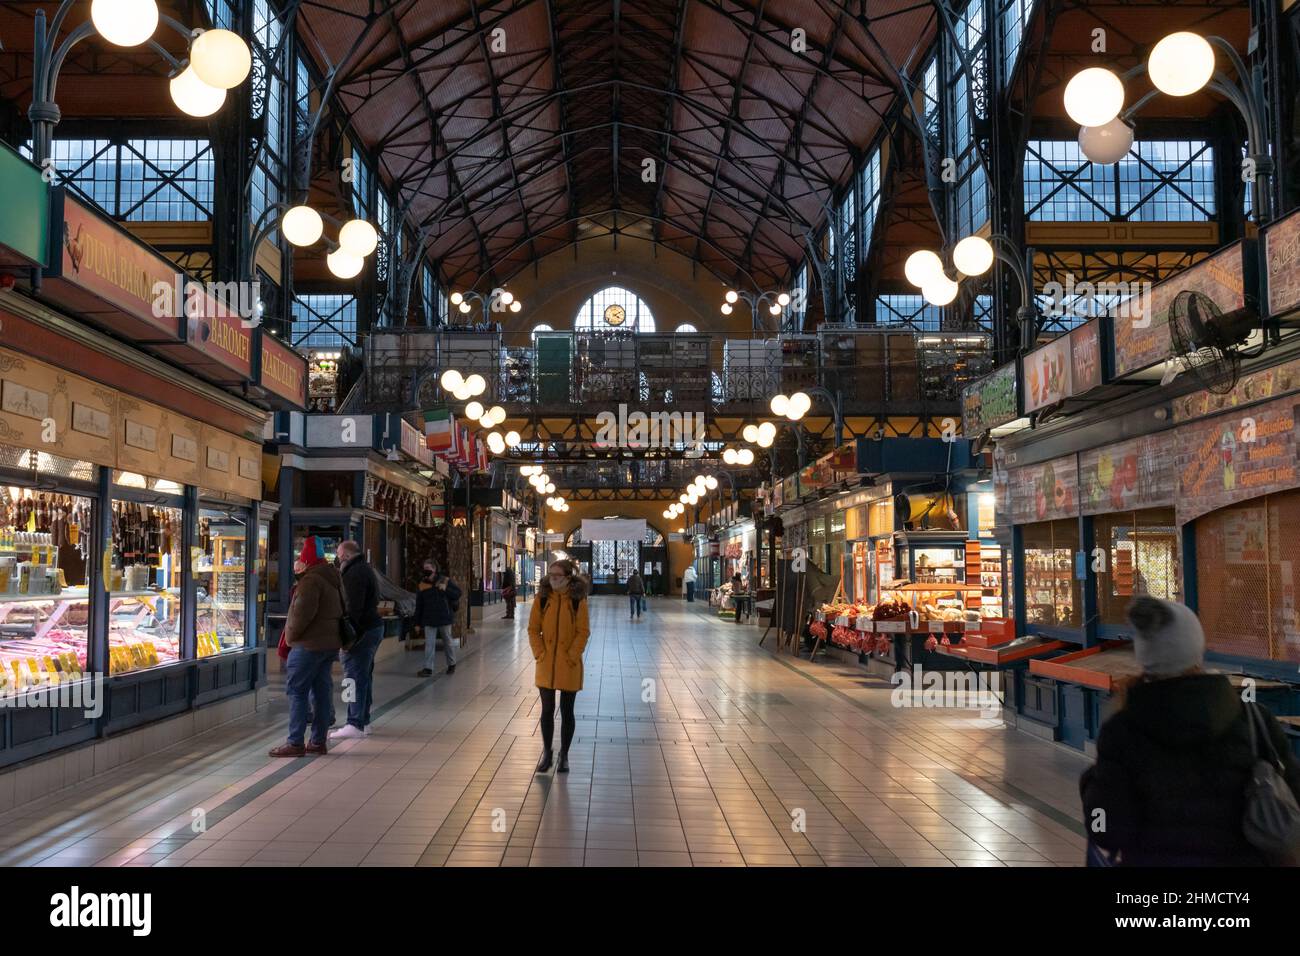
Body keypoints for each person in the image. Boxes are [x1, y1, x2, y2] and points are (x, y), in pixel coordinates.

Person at [1081, 596, 1300, 866]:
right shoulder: (1255, 721)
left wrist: (1093, 783)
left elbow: (1107, 831)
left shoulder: (1122, 731)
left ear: (1144, 656)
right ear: (1198, 649)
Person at [270, 537, 343, 757]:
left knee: (297, 692)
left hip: (308, 646)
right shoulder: (333, 578)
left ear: (307, 560)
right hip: (328, 645)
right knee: (321, 692)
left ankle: (295, 742)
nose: (297, 564)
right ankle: (318, 741)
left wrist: (290, 640)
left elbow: (300, 616)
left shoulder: (311, 581)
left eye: (300, 559)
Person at [527, 559, 590, 774]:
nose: (552, 578)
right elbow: (533, 629)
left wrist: (572, 655)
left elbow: (583, 631)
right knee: (546, 710)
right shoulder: (543, 599)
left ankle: (564, 754)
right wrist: (540, 653)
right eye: (551, 574)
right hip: (546, 663)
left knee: (567, 711)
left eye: (557, 575)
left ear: (568, 577)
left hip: (569, 664)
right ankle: (547, 752)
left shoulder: (577, 600)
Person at [329, 540, 384, 741]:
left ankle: (354, 723)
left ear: (345, 555)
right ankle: (363, 719)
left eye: (338, 554)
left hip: (362, 633)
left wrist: (348, 637)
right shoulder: (365, 569)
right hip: (373, 628)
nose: (337, 557)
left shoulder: (354, 574)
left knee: (352, 677)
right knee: (364, 676)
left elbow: (353, 608)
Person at [415, 560, 461, 676]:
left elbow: (458, 593)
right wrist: (417, 623)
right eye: (424, 568)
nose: (425, 571)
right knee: (429, 644)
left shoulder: (444, 580)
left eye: (428, 568)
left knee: (447, 642)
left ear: (434, 570)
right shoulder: (422, 585)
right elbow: (419, 605)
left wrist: (445, 589)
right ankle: (428, 668)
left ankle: (451, 664)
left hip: (444, 617)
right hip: (429, 618)